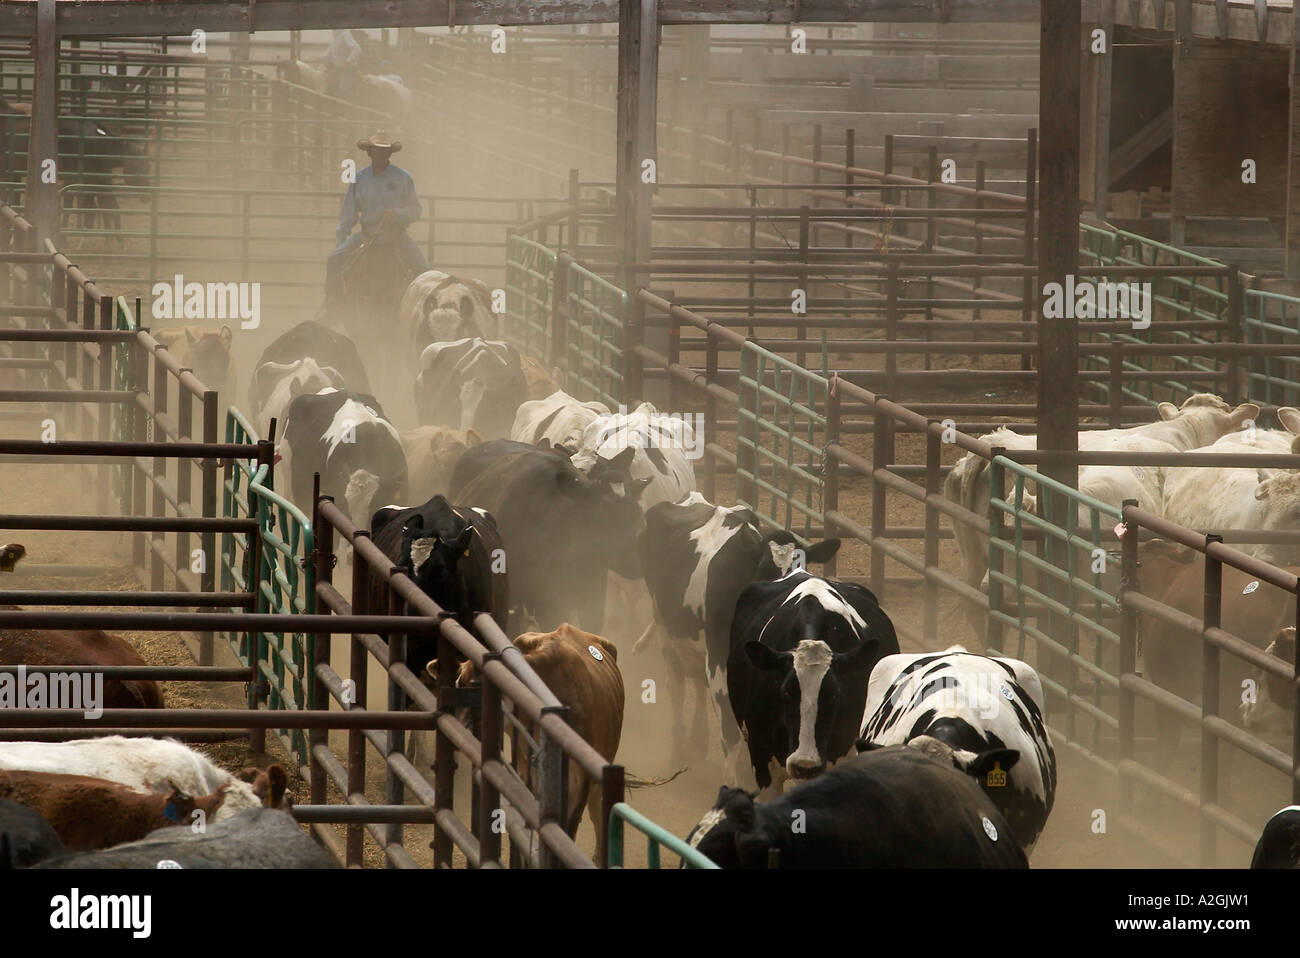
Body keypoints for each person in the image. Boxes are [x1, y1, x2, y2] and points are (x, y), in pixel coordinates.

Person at [324, 130, 430, 314]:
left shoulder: (403, 177)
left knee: (425, 270)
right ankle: (333, 304)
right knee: (333, 260)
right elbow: (348, 215)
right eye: (376, 150)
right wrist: (341, 242)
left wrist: (398, 214)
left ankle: (423, 312)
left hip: (395, 236)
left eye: (384, 151)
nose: (380, 154)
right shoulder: (359, 178)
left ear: (389, 154)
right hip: (367, 235)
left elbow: (416, 210)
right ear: (369, 152)